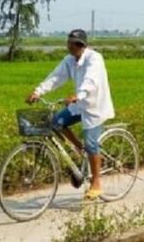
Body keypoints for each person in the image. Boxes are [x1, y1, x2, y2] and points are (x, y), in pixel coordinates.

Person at [27, 29, 114, 201]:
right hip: (78, 105)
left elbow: (91, 81)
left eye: (73, 44)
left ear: (81, 45)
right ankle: (81, 151)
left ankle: (96, 182)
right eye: (69, 43)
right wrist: (38, 92)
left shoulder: (94, 59)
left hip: (95, 107)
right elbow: (56, 77)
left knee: (91, 143)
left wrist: (78, 95)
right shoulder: (69, 61)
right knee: (56, 122)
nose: (69, 47)